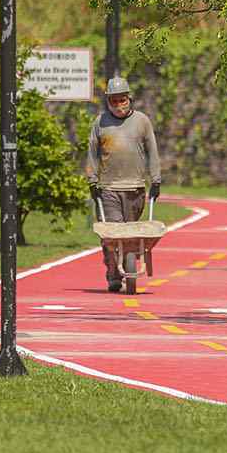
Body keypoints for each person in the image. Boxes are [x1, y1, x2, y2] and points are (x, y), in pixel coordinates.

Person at [84, 75, 163, 291]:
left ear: (129, 99)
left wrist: (156, 179)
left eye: (122, 100)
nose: (119, 104)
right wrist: (92, 180)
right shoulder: (100, 123)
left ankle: (128, 263)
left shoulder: (142, 122)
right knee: (112, 233)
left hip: (135, 188)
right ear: (108, 101)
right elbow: (92, 153)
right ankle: (113, 273)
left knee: (130, 237)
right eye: (114, 100)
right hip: (109, 188)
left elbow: (152, 152)